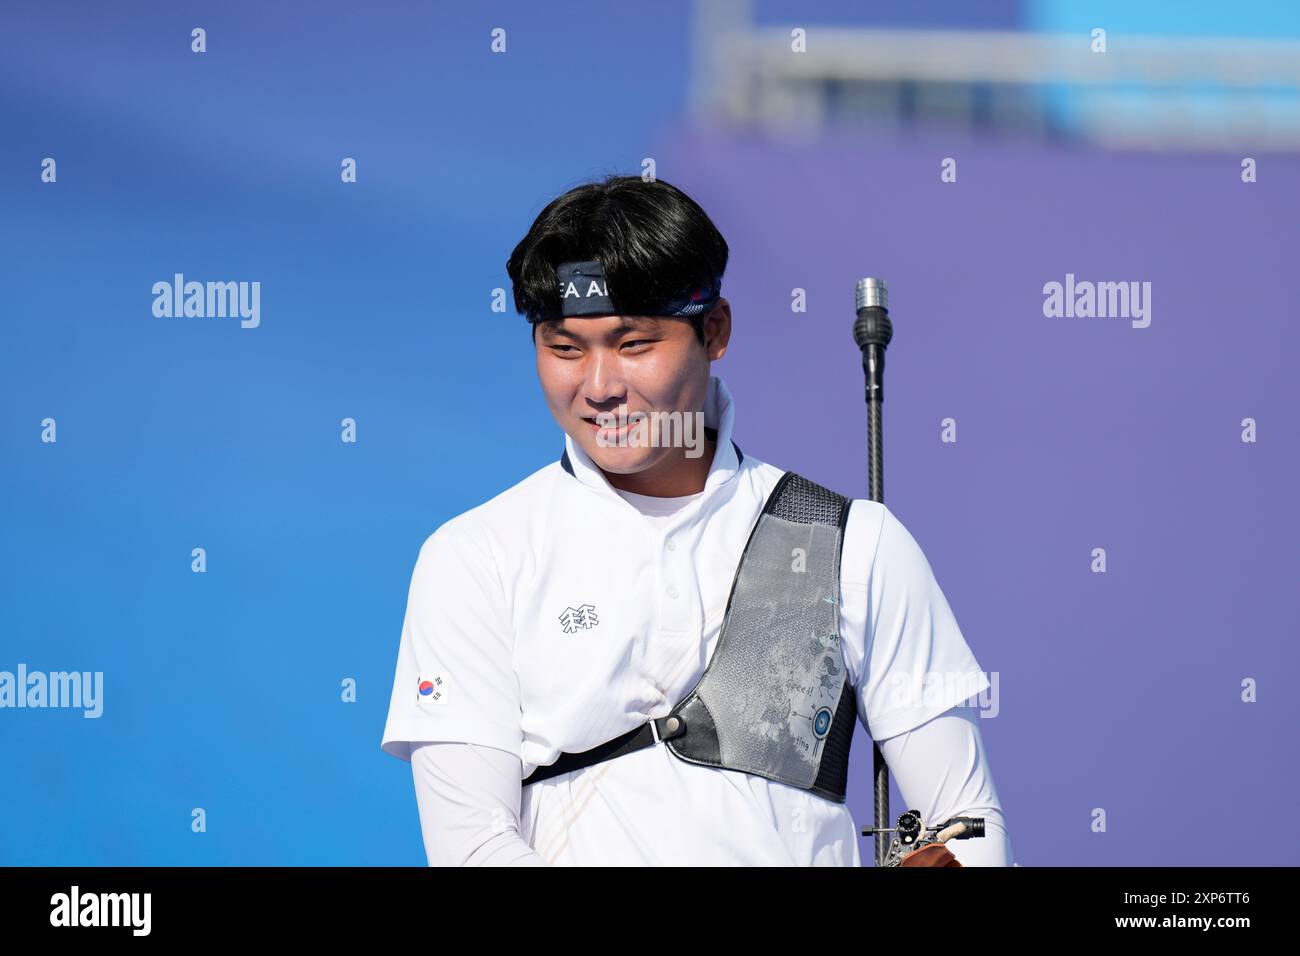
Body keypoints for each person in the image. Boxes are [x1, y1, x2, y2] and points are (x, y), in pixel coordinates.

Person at [380, 174, 1013, 866]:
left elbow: (964, 817)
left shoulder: (854, 544)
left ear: (715, 331)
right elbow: (471, 846)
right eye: (565, 348)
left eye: (632, 344)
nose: (597, 386)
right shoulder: (478, 558)